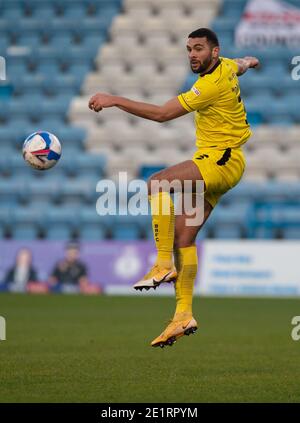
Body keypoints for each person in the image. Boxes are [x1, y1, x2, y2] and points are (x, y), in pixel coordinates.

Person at [88, 28, 259, 348]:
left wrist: (114, 99)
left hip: (219, 161)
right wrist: (249, 61)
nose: (192, 54)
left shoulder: (208, 84)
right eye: (189, 49)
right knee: (184, 236)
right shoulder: (227, 66)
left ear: (214, 51)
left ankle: (162, 263)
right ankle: (183, 315)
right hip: (225, 163)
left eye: (198, 49)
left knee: (157, 183)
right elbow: (240, 64)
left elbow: (163, 115)